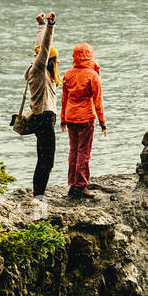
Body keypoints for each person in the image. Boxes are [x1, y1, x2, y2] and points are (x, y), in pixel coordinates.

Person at [60, 42, 106, 199]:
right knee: (84, 152)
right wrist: (102, 122)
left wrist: (62, 120)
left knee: (73, 151)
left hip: (70, 117)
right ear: (90, 56)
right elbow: (98, 101)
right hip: (86, 117)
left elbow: (64, 99)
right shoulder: (92, 75)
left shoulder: (68, 74)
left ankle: (72, 184)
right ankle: (82, 185)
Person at [25, 11, 60, 202]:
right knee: (46, 161)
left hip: (42, 118)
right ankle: (39, 196)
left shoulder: (37, 69)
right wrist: (50, 25)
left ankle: (38, 194)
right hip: (44, 118)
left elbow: (39, 49)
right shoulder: (39, 69)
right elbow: (44, 48)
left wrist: (40, 26)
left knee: (43, 159)